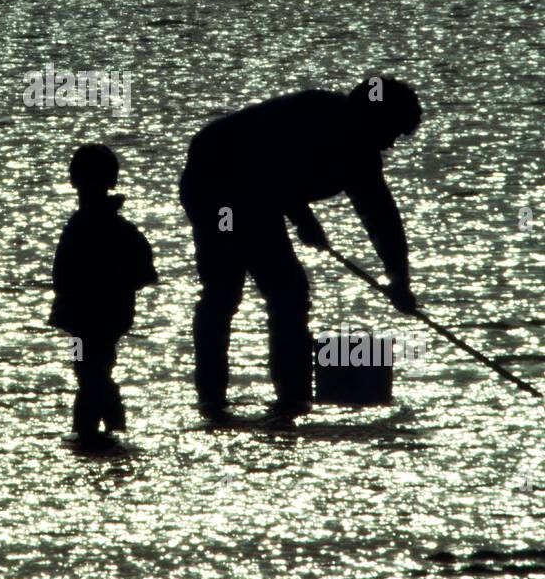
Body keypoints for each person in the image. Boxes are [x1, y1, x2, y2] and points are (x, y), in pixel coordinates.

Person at [179, 77, 422, 422]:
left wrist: (399, 278)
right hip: (216, 184)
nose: (390, 144)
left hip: (259, 197)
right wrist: (304, 219)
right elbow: (268, 169)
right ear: (371, 118)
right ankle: (216, 399)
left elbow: (381, 217)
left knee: (287, 296)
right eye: (391, 132)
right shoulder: (313, 115)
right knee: (231, 291)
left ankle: (291, 399)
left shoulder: (362, 156)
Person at [49, 144, 157, 445]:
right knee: (94, 370)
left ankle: (91, 431)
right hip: (103, 315)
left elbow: (62, 275)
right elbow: (145, 273)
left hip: (86, 317)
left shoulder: (88, 225)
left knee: (88, 372)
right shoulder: (117, 227)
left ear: (73, 180)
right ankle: (110, 428)